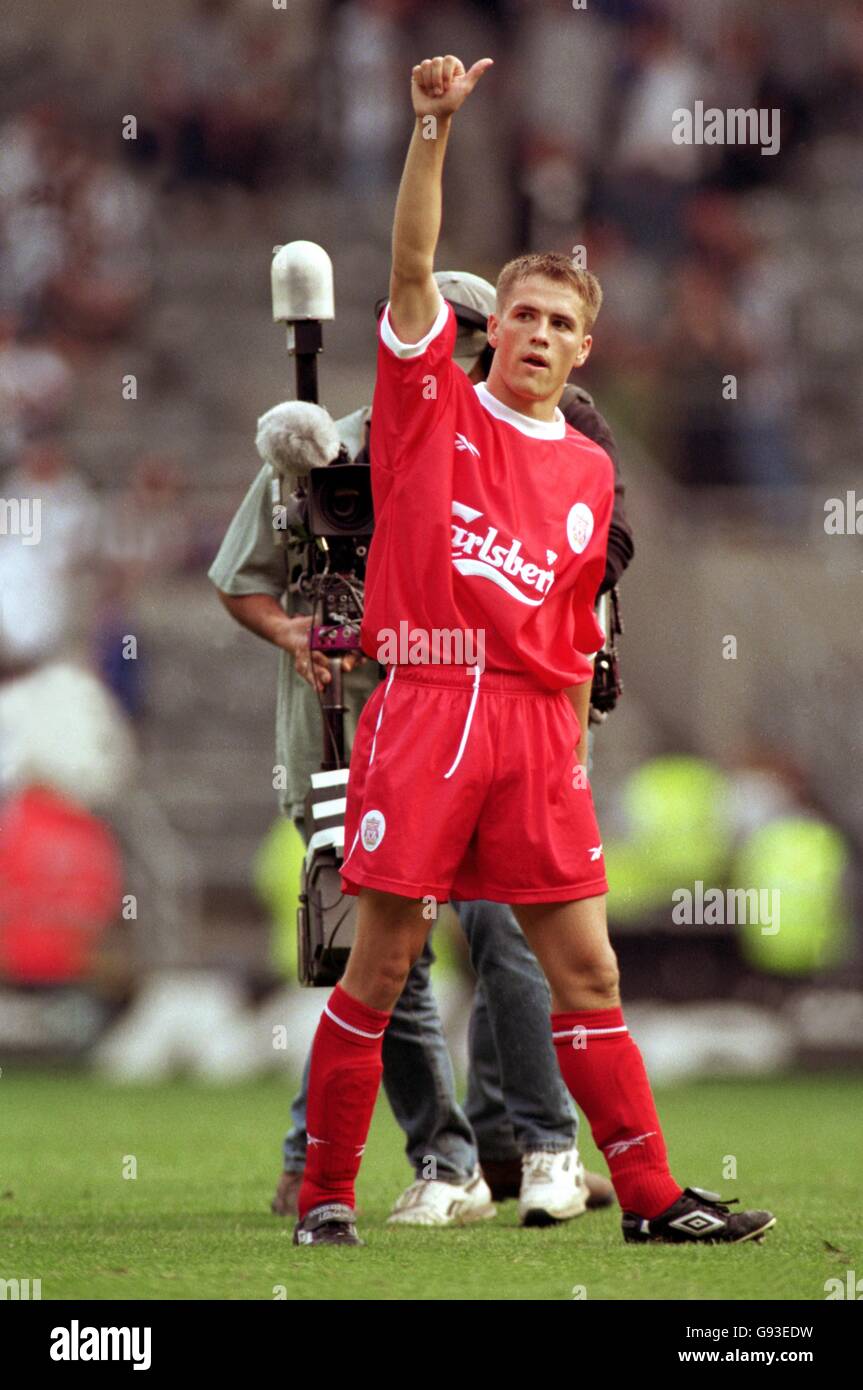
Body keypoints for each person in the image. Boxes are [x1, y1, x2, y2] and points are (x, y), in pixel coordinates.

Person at [292, 53, 775, 1249]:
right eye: (522, 316)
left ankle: (652, 1198)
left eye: (562, 322)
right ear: (488, 329)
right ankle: (325, 1197)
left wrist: (563, 736)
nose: (539, 335)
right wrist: (430, 133)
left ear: (581, 350)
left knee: (589, 974)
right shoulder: (429, 406)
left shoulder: (592, 469)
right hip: (433, 698)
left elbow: (570, 623)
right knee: (385, 963)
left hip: (534, 725)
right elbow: (410, 268)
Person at [210, 262, 631, 1226]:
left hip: (499, 723)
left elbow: (605, 545)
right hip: (362, 727)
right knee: (377, 952)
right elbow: (243, 575)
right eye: (465, 327)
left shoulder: (556, 434)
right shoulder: (338, 447)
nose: (478, 343)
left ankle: (523, 1143)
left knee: (510, 938)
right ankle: (431, 1155)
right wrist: (297, 636)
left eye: (485, 327)